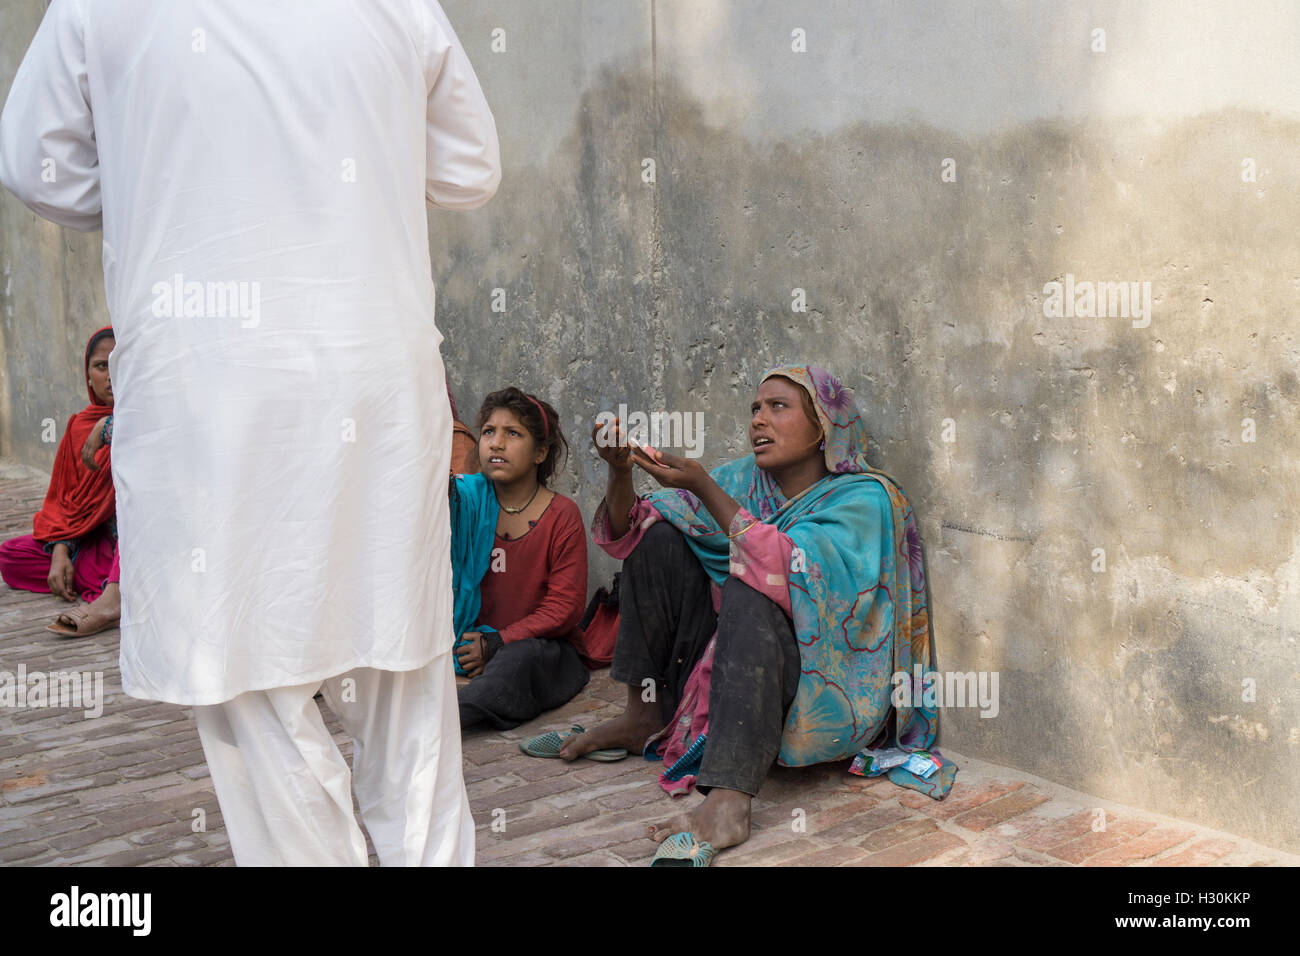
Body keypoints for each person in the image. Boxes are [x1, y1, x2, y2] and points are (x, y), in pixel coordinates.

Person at [0, 0, 500, 866]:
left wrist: (156, 177)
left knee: (242, 675)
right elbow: (469, 169)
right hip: (367, 378)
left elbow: (38, 166)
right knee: (400, 674)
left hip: (212, 389)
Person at [527, 364, 953, 866]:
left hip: (817, 687)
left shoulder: (865, 498)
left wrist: (706, 487)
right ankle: (642, 713)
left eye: (778, 407)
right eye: (755, 408)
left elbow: (785, 570)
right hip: (731, 666)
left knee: (751, 582)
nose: (759, 420)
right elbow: (627, 530)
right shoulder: (744, 481)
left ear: (823, 428)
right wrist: (620, 471)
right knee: (659, 534)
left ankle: (728, 800)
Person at [451, 388, 591, 729]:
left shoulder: (562, 515)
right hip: (467, 644)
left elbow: (564, 609)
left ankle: (448, 715)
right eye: (488, 432)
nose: (496, 443)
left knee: (521, 659)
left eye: (513, 433)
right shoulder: (463, 502)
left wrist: (497, 642)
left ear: (540, 452)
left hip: (540, 649)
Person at [0, 326, 121, 637]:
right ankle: (103, 581)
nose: (110, 375)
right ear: (88, 373)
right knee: (10, 556)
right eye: (101, 366)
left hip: (129, 543)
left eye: (119, 362)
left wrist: (110, 426)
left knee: (134, 545)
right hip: (90, 544)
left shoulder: (146, 418)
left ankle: (114, 592)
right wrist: (61, 550)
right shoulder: (79, 427)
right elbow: (64, 503)